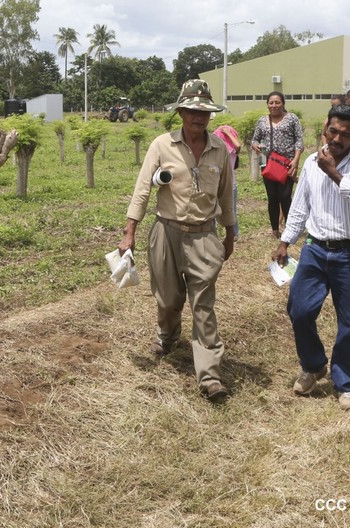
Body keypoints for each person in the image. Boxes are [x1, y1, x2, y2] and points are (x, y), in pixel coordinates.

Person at [118, 79, 235, 402]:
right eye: (192, 111)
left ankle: (210, 375)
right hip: (166, 233)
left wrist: (229, 232)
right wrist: (130, 231)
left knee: (203, 304)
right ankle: (167, 336)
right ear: (181, 112)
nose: (199, 117)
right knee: (168, 298)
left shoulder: (219, 150)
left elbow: (227, 194)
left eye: (204, 112)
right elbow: (143, 189)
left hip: (204, 235)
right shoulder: (161, 145)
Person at [272, 104, 350, 410]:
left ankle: (345, 383)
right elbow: (301, 206)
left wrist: (333, 172)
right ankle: (314, 365)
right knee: (299, 309)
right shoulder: (310, 162)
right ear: (326, 126)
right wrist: (285, 240)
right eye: (332, 130)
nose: (336, 138)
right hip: (315, 249)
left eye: (345, 134)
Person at [251, 92, 304, 239]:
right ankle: (275, 230)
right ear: (267, 104)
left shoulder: (292, 118)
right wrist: (255, 145)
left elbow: (299, 140)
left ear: (283, 103)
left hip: (286, 163)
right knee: (272, 197)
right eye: (271, 103)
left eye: (277, 102)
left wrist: (296, 160)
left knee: (285, 196)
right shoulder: (262, 120)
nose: (274, 106)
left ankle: (290, 228)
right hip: (266, 162)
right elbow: (255, 139)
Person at [213, 123, 242, 240]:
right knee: (212, 210)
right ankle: (212, 233)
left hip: (230, 184)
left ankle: (234, 234)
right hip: (215, 183)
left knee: (230, 210)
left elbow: (238, 145)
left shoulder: (233, 151)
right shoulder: (215, 151)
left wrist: (228, 133)